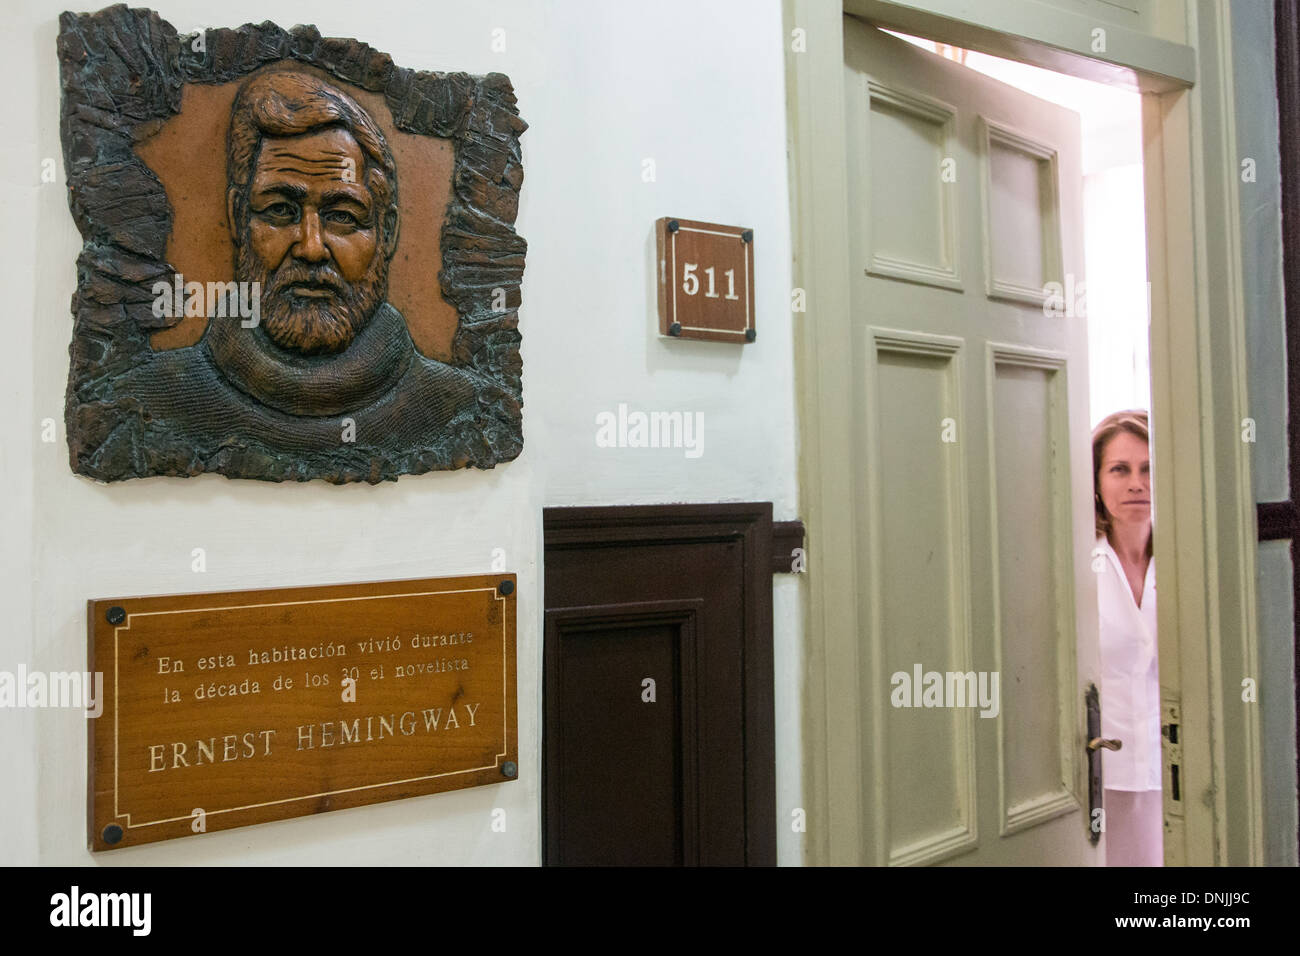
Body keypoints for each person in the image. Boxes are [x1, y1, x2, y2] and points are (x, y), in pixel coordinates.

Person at [86, 69, 513, 482]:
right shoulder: (144, 402)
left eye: (343, 216)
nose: (311, 247)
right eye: (279, 211)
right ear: (238, 219)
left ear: (387, 232)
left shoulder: (460, 407)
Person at [1092, 409, 1162, 866]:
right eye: (1120, 469)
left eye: (1148, 468)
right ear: (1096, 480)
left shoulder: (1191, 557)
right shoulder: (1080, 562)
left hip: (1175, 767)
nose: (1136, 482)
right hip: (1100, 774)